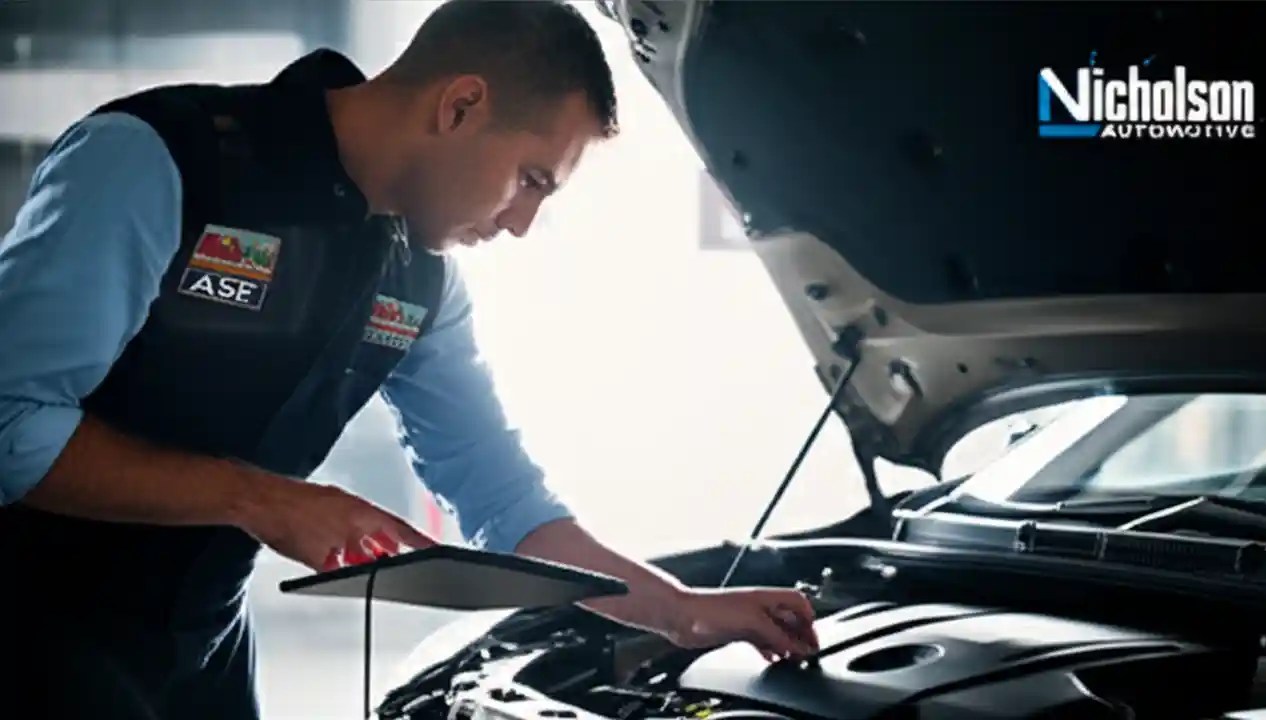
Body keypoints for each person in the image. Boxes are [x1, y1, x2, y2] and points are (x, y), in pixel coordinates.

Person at [0, 1, 818, 718]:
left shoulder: (420, 282)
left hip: (202, 648)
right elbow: (11, 424)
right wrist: (266, 501)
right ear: (461, 105)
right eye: (530, 179)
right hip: (31, 628)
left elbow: (504, 504)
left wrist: (680, 613)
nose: (521, 223)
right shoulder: (156, 159)